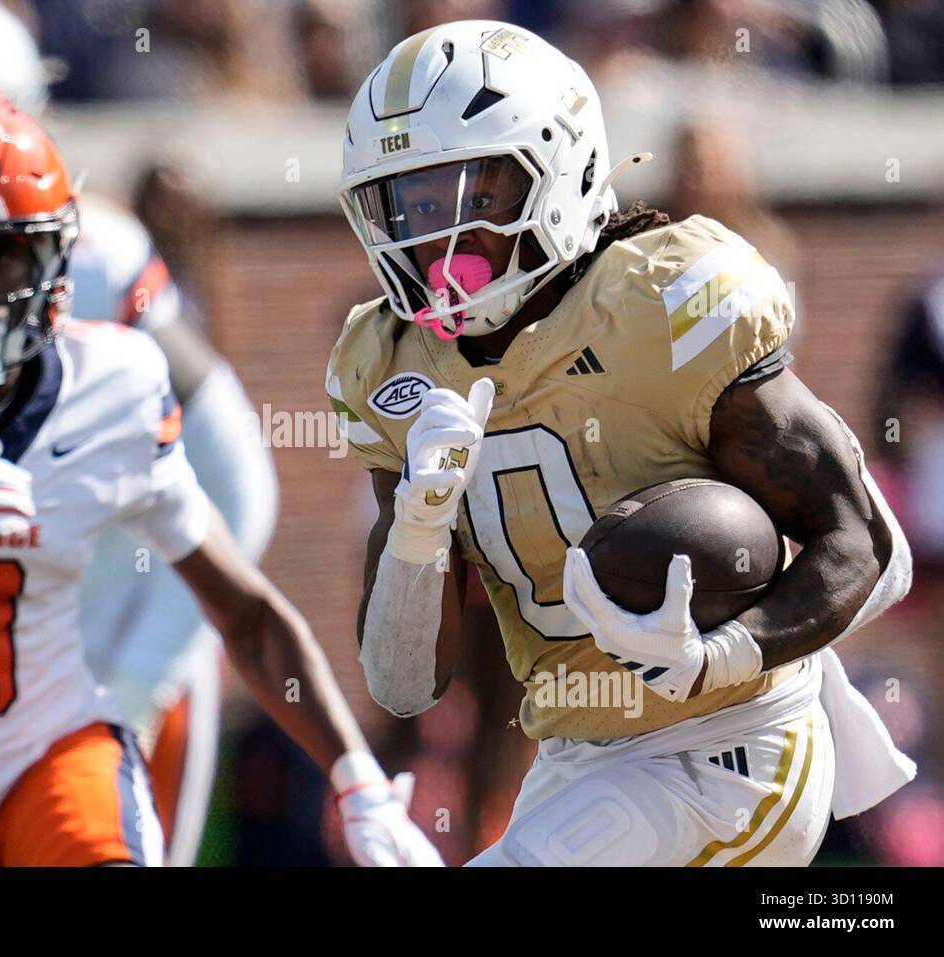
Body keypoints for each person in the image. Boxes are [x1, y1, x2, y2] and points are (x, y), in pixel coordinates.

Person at [0, 90, 440, 868]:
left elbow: (247, 615)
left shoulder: (111, 384)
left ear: (53, 259)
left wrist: (356, 777)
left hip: (55, 761)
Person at [329, 20, 915, 865]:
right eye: (413, 204)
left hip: (735, 740)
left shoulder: (666, 299)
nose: (435, 241)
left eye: (471, 197)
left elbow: (871, 545)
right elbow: (403, 682)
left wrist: (722, 654)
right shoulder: (388, 363)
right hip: (577, 759)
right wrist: (418, 528)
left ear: (557, 169)